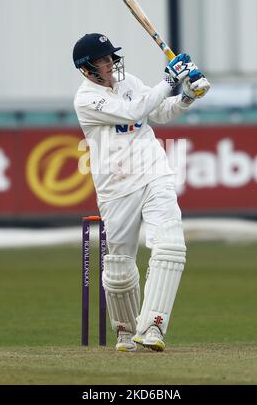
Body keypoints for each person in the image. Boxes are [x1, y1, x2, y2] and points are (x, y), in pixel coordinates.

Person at [73, 33, 210, 352]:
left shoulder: (130, 82)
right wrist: (169, 78)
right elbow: (134, 112)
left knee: (172, 244)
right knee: (119, 264)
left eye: (111, 58)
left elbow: (158, 112)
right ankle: (125, 331)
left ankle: (153, 327)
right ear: (86, 68)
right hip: (116, 186)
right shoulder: (85, 99)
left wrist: (187, 95)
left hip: (154, 171)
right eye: (103, 60)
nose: (110, 64)